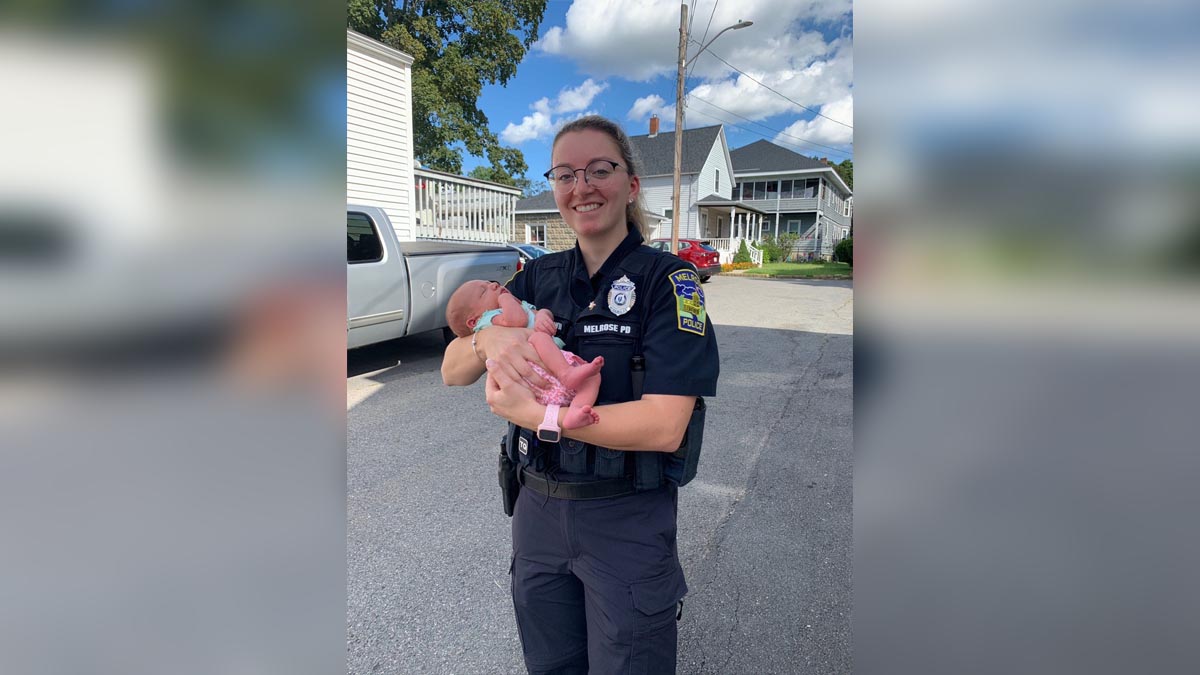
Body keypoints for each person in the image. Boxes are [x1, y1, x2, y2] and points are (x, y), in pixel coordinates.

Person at [441, 114, 719, 674]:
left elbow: (665, 426)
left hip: (625, 518)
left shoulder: (670, 283)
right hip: (537, 511)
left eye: (599, 170)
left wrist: (539, 416)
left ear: (631, 185)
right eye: (565, 174)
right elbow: (451, 370)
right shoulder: (536, 278)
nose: (581, 186)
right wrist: (485, 338)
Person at [446, 279, 604, 431]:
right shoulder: (489, 318)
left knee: (593, 377)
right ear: (473, 322)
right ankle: (566, 373)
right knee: (538, 337)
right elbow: (517, 320)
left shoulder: (520, 305)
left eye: (490, 283)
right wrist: (505, 298)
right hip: (539, 374)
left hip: (551, 378)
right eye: (483, 292)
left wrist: (543, 316)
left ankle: (575, 411)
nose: (494, 285)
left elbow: (539, 312)